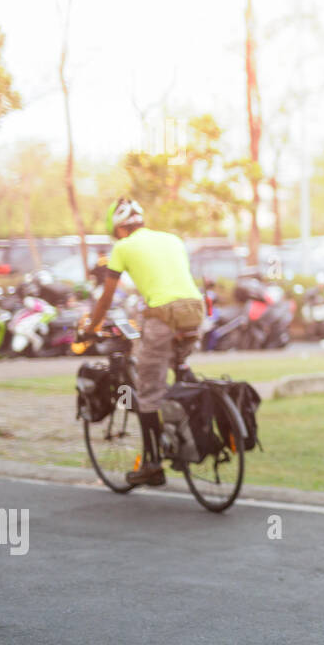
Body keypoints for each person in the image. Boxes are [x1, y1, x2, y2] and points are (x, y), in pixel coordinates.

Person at [78, 198, 206, 488]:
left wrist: (91, 329)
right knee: (175, 368)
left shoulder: (122, 247)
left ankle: (152, 466)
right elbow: (171, 282)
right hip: (194, 314)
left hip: (163, 318)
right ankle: (186, 427)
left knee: (148, 393)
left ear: (118, 229)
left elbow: (106, 297)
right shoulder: (172, 240)